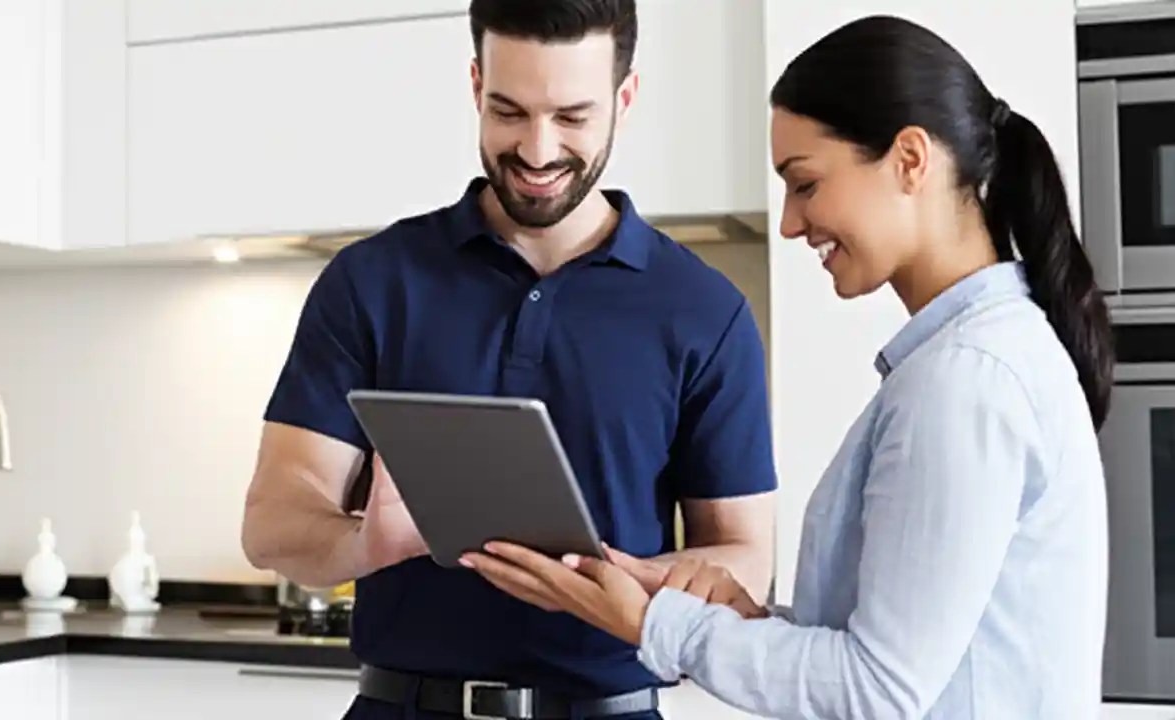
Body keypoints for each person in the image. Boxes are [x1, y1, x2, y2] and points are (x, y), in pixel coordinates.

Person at [462, 14, 1115, 720]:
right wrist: (733, 619)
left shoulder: (967, 379)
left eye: (805, 184)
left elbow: (874, 690)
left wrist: (655, 625)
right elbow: (889, 658)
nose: (790, 223)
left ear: (909, 159)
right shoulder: (975, 359)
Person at [240, 1, 778, 717]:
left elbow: (746, 558)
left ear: (625, 99)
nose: (537, 150)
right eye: (509, 112)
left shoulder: (705, 310)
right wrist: (367, 544)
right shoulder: (372, 282)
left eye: (572, 116)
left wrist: (638, 584)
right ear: (475, 86)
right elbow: (271, 525)